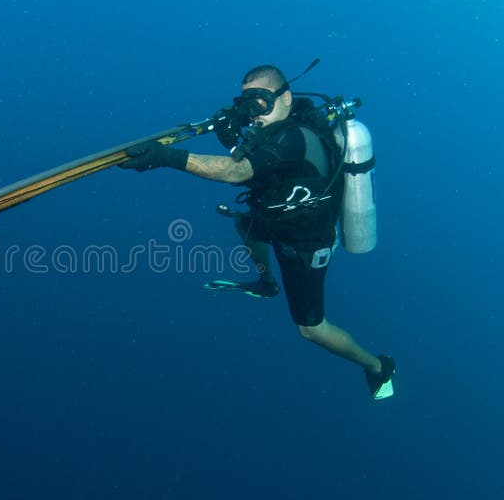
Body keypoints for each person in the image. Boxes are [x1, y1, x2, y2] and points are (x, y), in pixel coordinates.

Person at [120, 64, 395, 399]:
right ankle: (267, 284)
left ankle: (378, 367)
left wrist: (167, 157)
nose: (254, 114)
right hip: (276, 221)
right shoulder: (273, 131)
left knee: (311, 329)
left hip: (305, 245)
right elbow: (256, 158)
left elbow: (236, 172)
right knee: (244, 224)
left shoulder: (294, 138)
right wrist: (232, 129)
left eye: (261, 103)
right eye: (246, 104)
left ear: (286, 98)